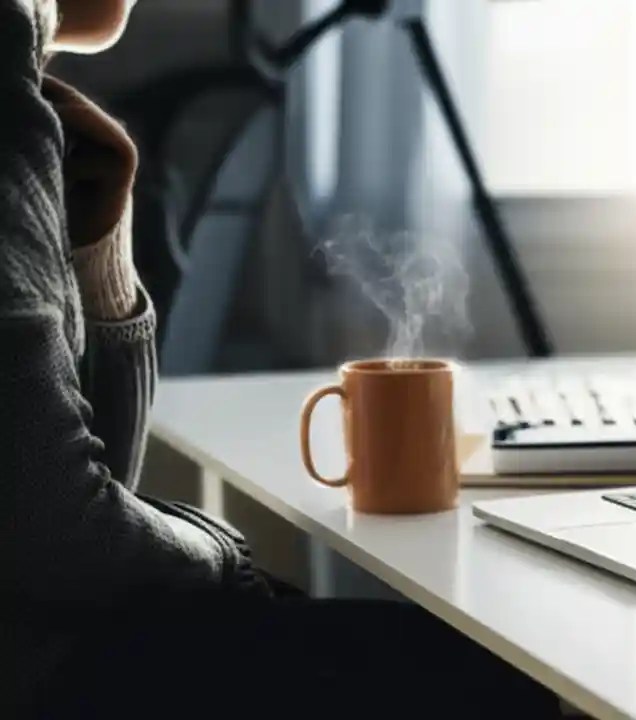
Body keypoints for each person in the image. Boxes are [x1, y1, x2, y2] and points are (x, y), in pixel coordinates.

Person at [1, 2, 559, 716]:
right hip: (36, 675)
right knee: (494, 678)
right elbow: (53, 530)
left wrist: (99, 254)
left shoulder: (32, 104)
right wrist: (220, 548)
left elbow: (94, 474)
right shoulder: (7, 106)